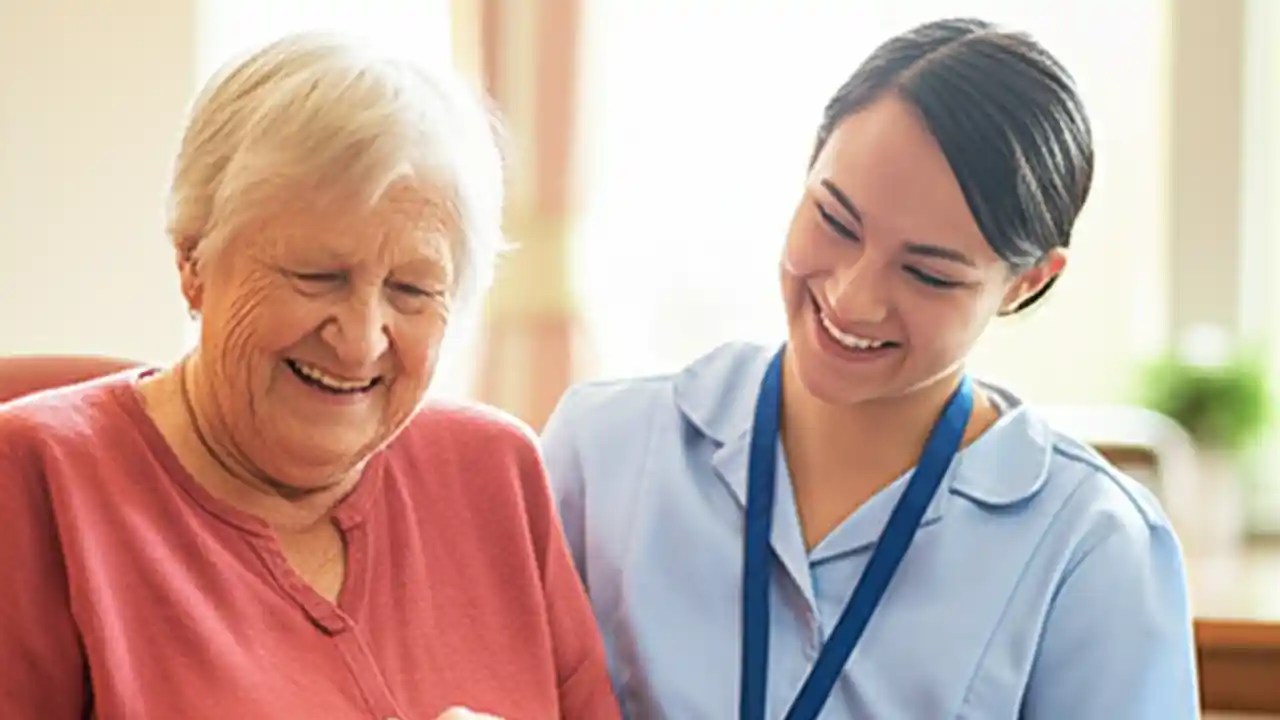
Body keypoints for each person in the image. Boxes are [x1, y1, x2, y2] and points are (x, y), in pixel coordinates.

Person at [541, 17, 1198, 719]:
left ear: (1026, 283)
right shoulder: (603, 452)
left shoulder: (1092, 547)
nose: (854, 299)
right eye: (836, 220)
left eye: (926, 274)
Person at [0, 33, 620, 720]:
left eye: (412, 290)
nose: (359, 341)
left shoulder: (494, 470)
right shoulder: (34, 478)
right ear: (192, 258)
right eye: (317, 277)